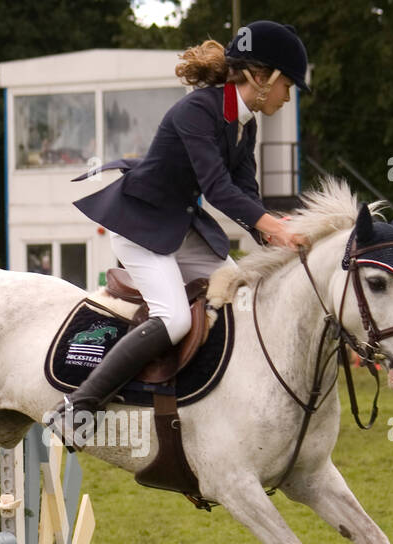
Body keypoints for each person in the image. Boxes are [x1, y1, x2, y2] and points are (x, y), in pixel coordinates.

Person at [46, 20, 311, 444]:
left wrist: (276, 234)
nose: (288, 95)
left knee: (238, 293)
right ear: (263, 78)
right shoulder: (198, 110)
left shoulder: (246, 124)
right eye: (288, 85)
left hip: (180, 226)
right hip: (141, 224)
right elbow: (217, 188)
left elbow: (245, 191)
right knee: (172, 319)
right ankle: (79, 405)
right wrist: (271, 226)